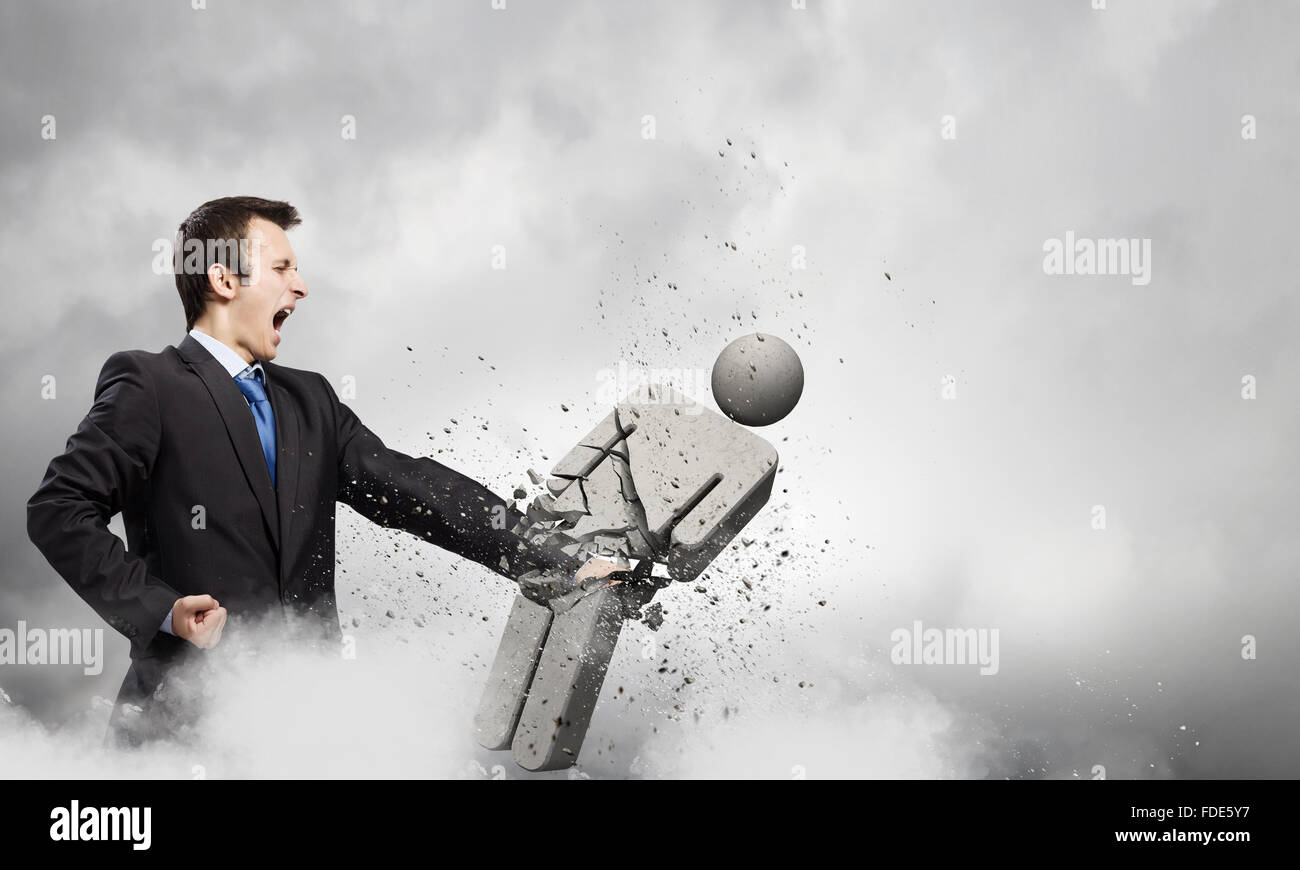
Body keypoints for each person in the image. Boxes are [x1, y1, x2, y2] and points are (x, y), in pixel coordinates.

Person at [26, 196, 616, 746]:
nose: (301, 286)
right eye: (282, 268)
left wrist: (558, 556)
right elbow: (58, 512)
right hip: (180, 732)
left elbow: (412, 488)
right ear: (224, 279)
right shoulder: (148, 385)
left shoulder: (312, 401)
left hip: (308, 732)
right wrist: (162, 609)